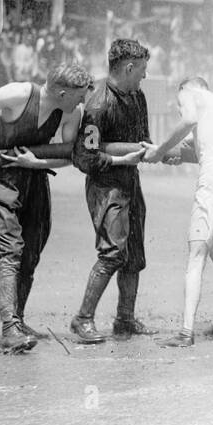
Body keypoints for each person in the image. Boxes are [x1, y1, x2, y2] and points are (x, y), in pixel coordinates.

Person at [0, 64, 93, 352]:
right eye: (79, 96)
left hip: (36, 184)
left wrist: (37, 164)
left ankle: (17, 320)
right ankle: (9, 329)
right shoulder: (20, 94)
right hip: (3, 184)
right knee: (10, 252)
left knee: (30, 254)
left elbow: (70, 153)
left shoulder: (71, 112)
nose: (82, 102)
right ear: (63, 92)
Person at [150, 77, 213, 347]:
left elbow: (187, 123)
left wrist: (160, 151)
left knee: (196, 256)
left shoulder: (189, 95)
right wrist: (185, 149)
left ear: (186, 89)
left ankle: (186, 332)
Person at [68, 39, 155, 344]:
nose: (144, 76)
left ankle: (125, 320)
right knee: (113, 252)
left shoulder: (138, 97)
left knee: (134, 255)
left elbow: (144, 140)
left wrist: (159, 151)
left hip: (130, 182)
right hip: (106, 187)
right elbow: (84, 157)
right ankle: (83, 319)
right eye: (142, 70)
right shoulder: (97, 104)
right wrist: (121, 159)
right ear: (129, 68)